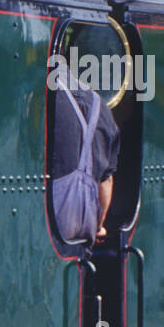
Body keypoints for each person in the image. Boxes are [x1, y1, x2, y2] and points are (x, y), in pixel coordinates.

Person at [50, 69, 120, 245]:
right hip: (85, 228)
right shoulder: (100, 105)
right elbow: (106, 181)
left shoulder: (41, 98)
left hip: (48, 223)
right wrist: (98, 226)